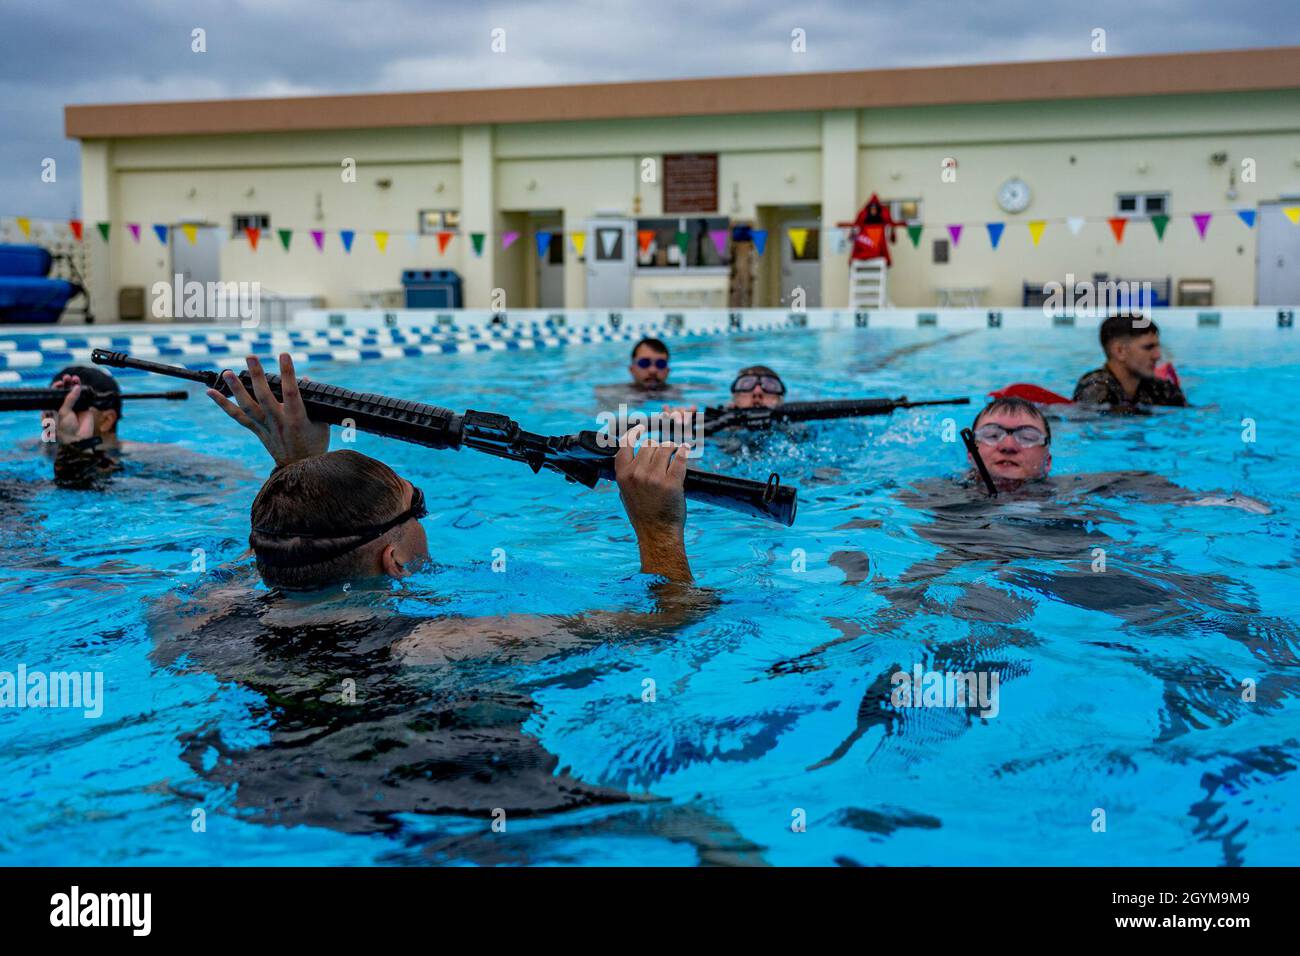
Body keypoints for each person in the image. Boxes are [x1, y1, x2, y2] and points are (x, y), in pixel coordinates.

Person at [205, 353, 696, 588]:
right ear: (393, 561)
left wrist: (295, 470)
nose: (423, 514)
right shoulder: (449, 642)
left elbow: (283, 550)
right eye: (416, 505)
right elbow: (666, 625)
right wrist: (658, 529)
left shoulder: (203, 620)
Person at [1072, 314, 1187, 410]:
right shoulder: (1095, 387)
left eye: (1157, 347)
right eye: (1148, 347)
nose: (1157, 355)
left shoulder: (1160, 389)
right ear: (1120, 351)